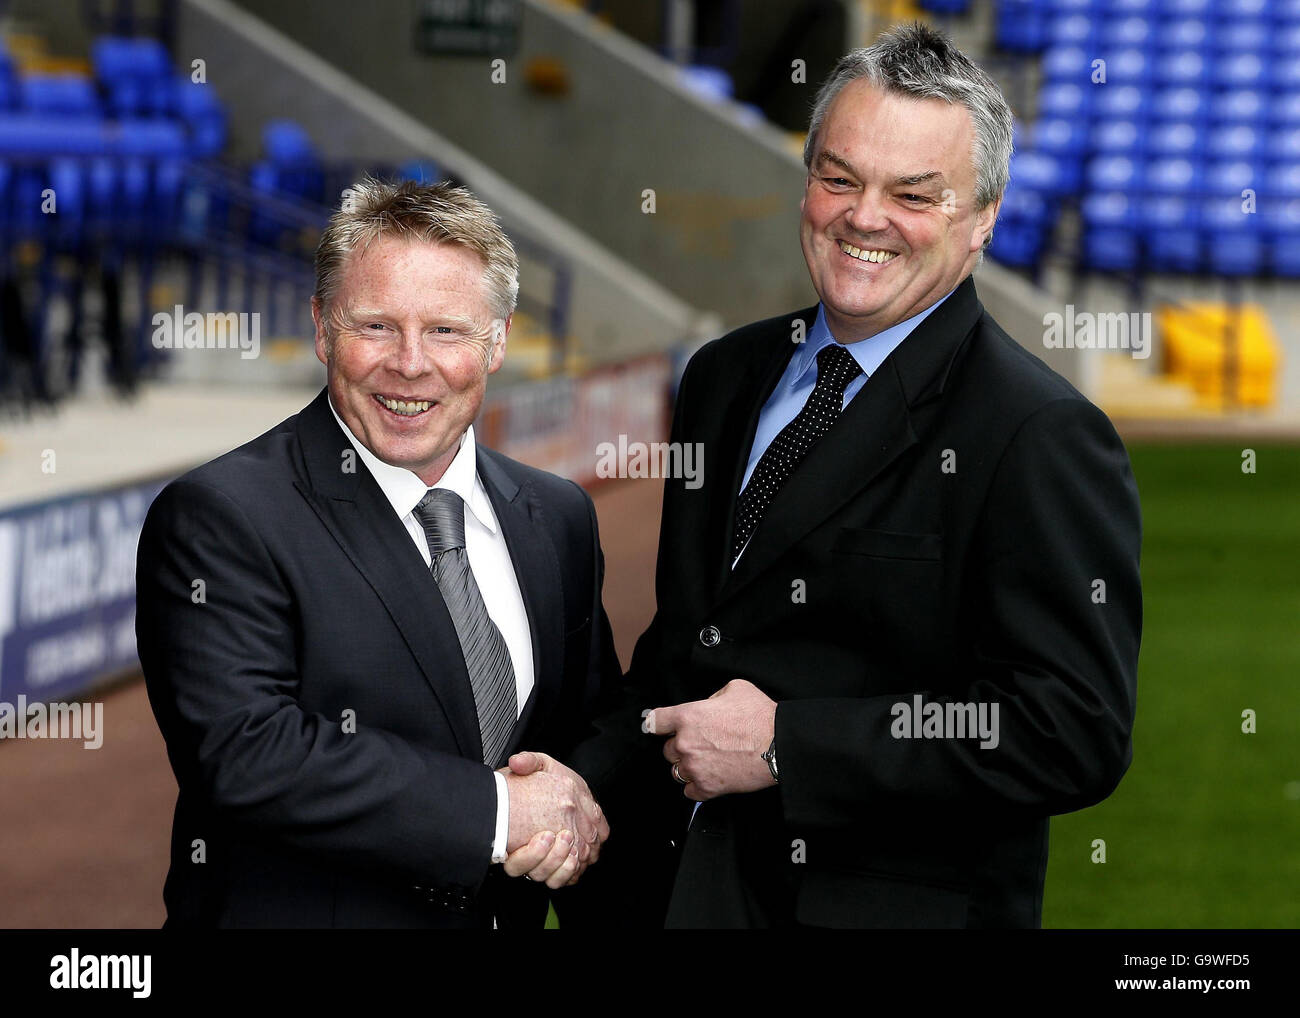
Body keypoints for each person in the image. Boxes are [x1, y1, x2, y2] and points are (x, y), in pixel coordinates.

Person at [571, 23, 1142, 928]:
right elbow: (686, 657)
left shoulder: (1039, 434)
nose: (864, 216)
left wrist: (789, 747)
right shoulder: (724, 376)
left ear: (983, 217)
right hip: (668, 900)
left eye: (914, 194)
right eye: (839, 178)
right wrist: (577, 781)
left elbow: (1066, 729)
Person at [136, 178, 619, 928]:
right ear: (323, 327)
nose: (409, 363)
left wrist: (575, 804)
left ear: (498, 341)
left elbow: (588, 725)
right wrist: (500, 813)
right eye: (376, 326)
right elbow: (248, 755)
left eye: (448, 331)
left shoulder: (556, 516)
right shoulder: (222, 516)